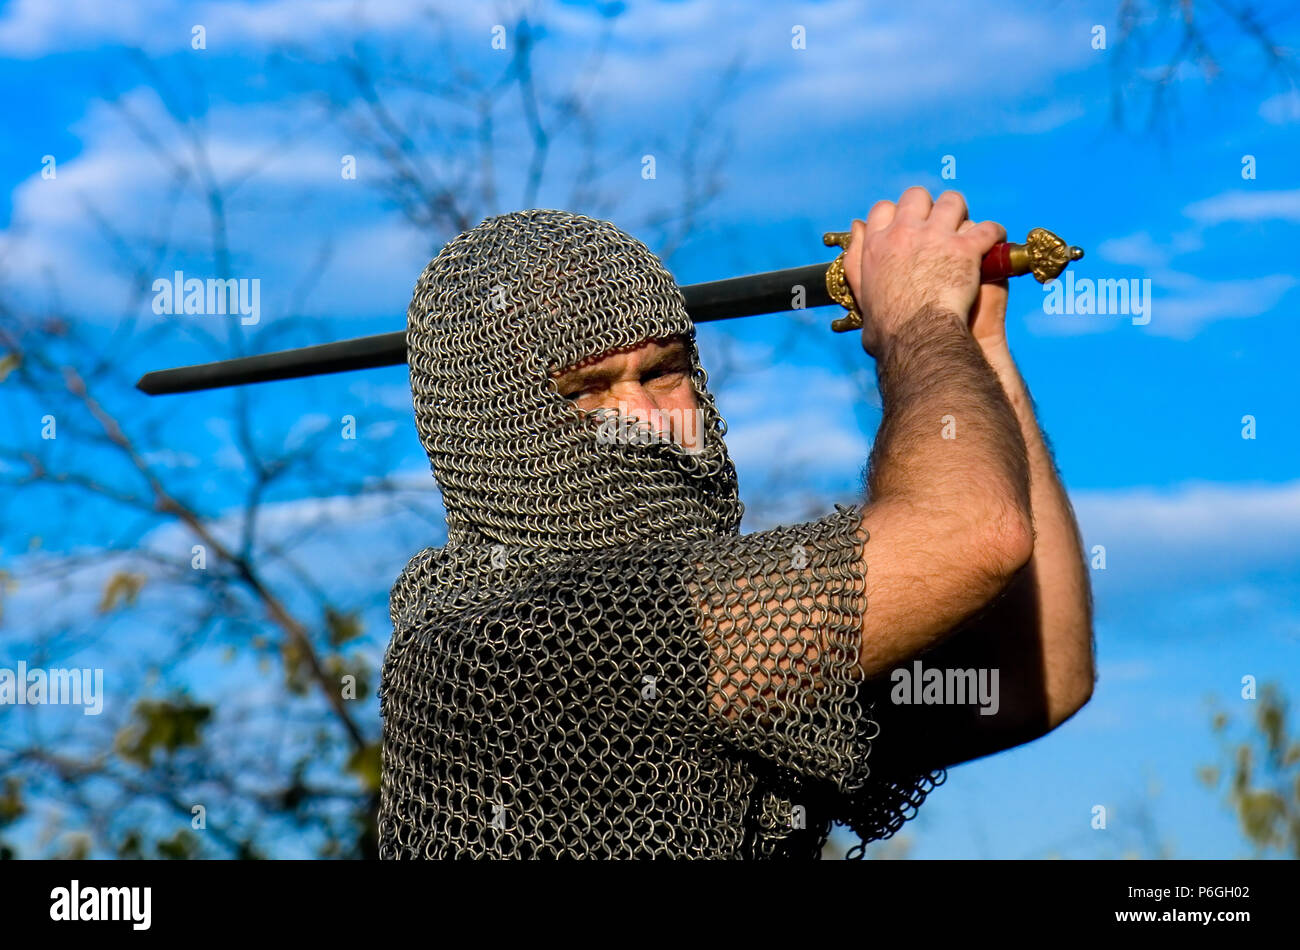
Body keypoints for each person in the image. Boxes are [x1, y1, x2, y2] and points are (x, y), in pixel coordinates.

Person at [377, 189, 1095, 859]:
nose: (648, 423)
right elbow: (973, 534)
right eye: (591, 390)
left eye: (662, 372)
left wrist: (975, 345)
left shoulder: (733, 645)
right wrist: (916, 321)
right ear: (491, 435)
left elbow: (1040, 678)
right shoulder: (504, 643)